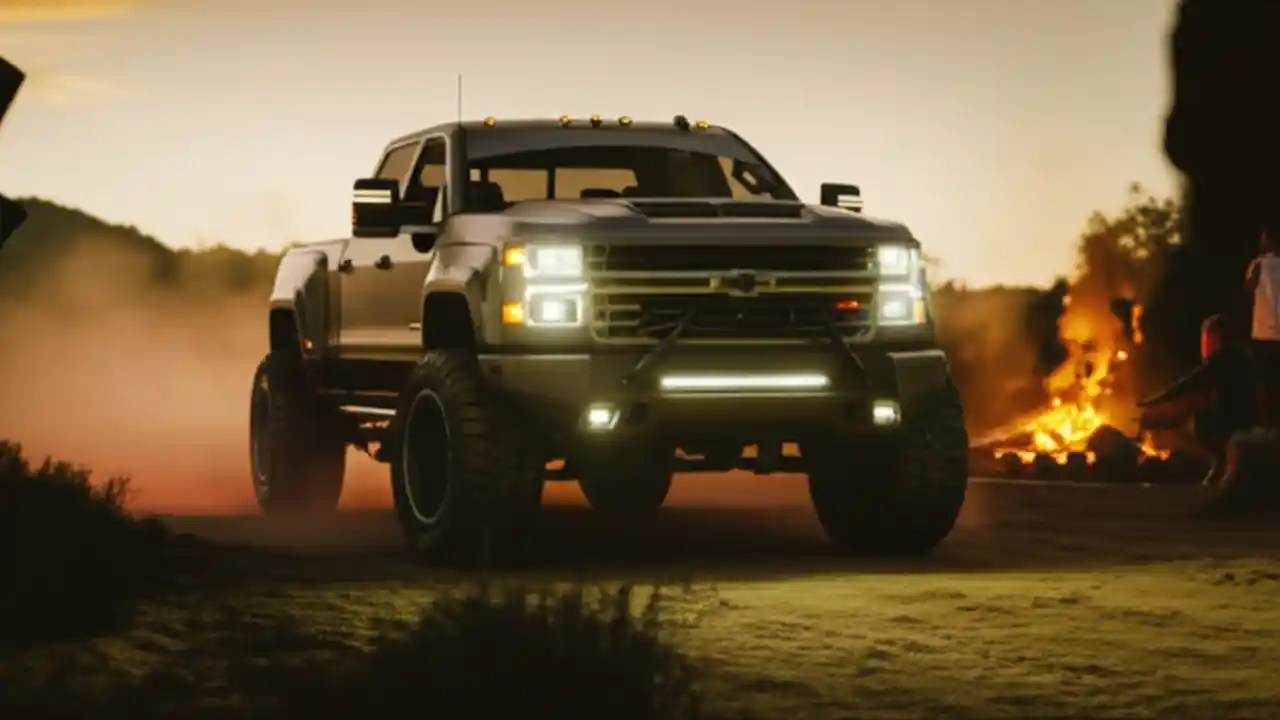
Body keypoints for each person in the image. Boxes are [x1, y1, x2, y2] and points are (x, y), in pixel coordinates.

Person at [1139, 313, 1258, 487]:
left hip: (1234, 417)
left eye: (1208, 337)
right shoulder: (1242, 355)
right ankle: (1222, 467)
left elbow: (1190, 383)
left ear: (1217, 336)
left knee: (1202, 421)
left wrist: (1155, 400)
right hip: (1247, 414)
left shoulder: (1223, 358)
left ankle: (1219, 466)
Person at [1247, 230, 1280, 426]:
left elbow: (1249, 286)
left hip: (1263, 334)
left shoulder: (1258, 265)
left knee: (1263, 384)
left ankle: (1267, 426)